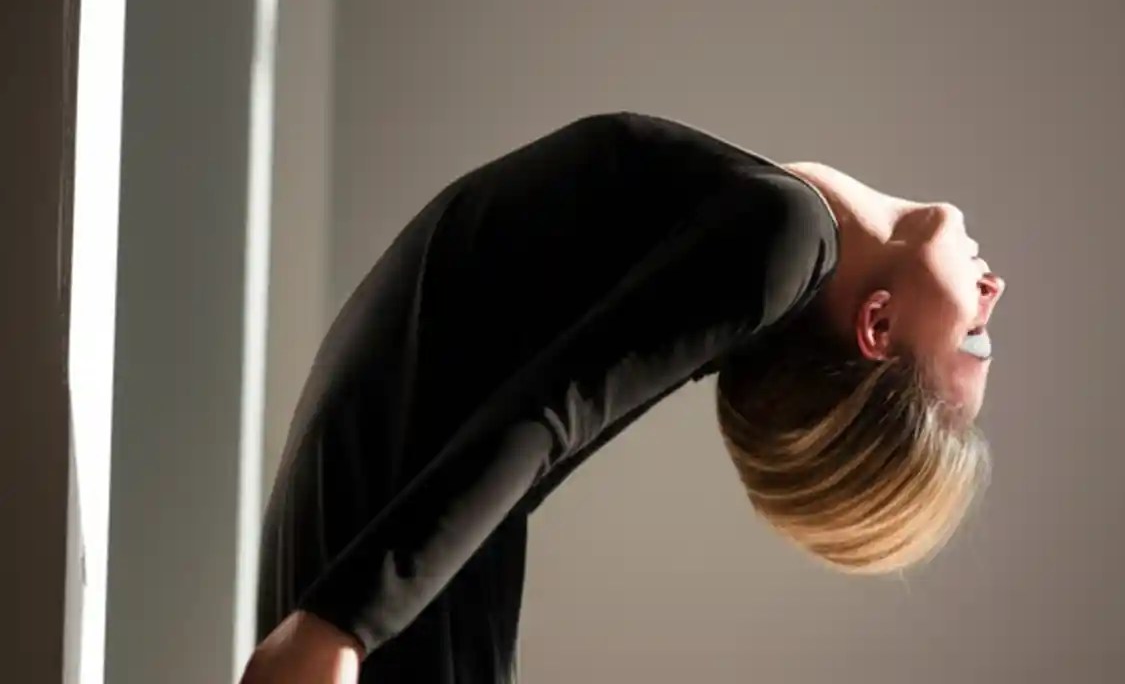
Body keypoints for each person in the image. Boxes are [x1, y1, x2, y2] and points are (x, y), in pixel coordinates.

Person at [239, 111, 1006, 684]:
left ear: (877, 325)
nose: (991, 293)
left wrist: (339, 624)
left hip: (388, 554)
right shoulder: (772, 231)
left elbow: (550, 418)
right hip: (388, 531)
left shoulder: (784, 236)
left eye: (971, 340)